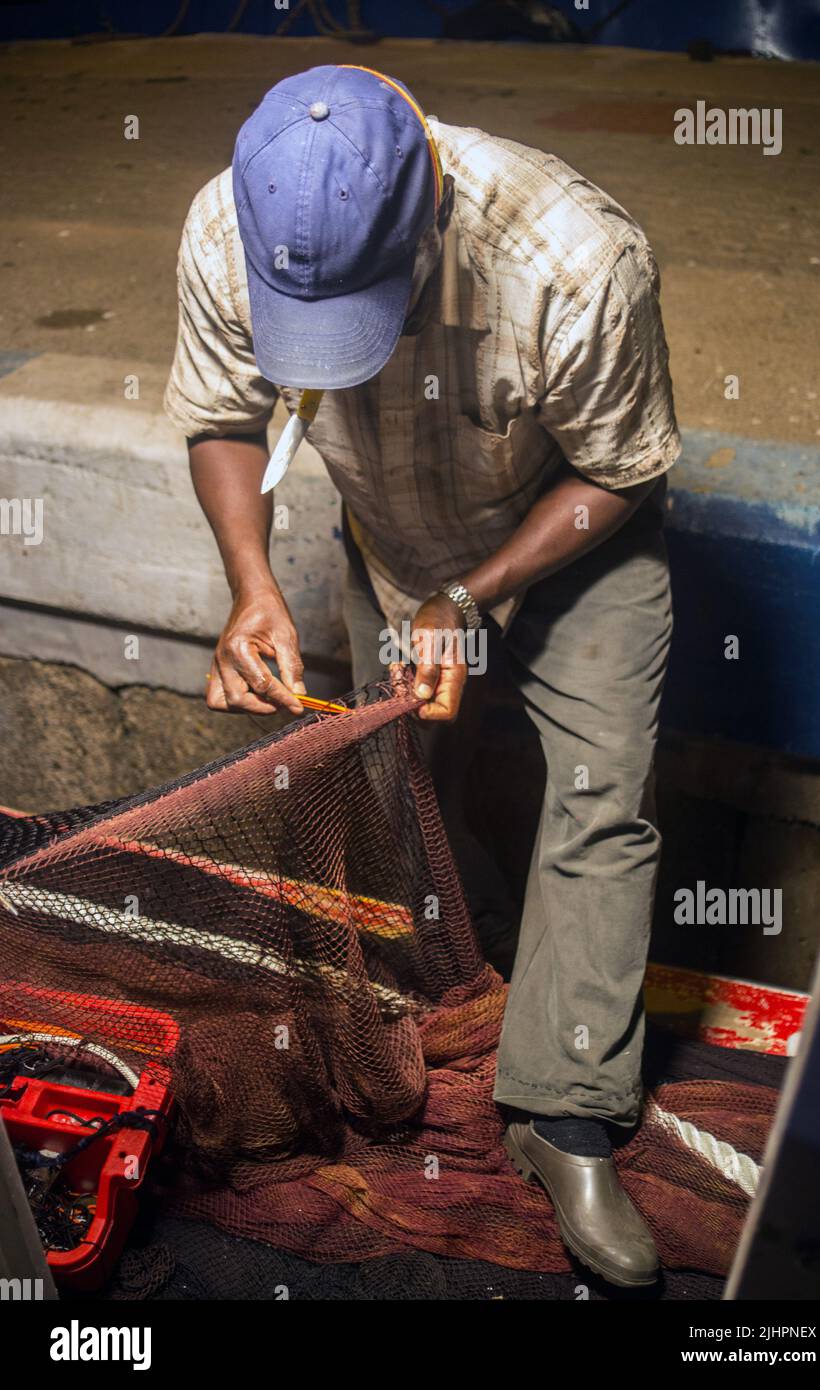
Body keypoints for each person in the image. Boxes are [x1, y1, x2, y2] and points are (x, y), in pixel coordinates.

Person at [164, 64, 679, 1288]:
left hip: (571, 536)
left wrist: (477, 591)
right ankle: (475, 963)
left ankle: (561, 1112)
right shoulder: (224, 224)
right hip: (392, 534)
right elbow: (226, 415)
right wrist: (253, 582)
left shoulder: (577, 256)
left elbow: (619, 469)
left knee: (599, 798)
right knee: (406, 780)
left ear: (429, 213)